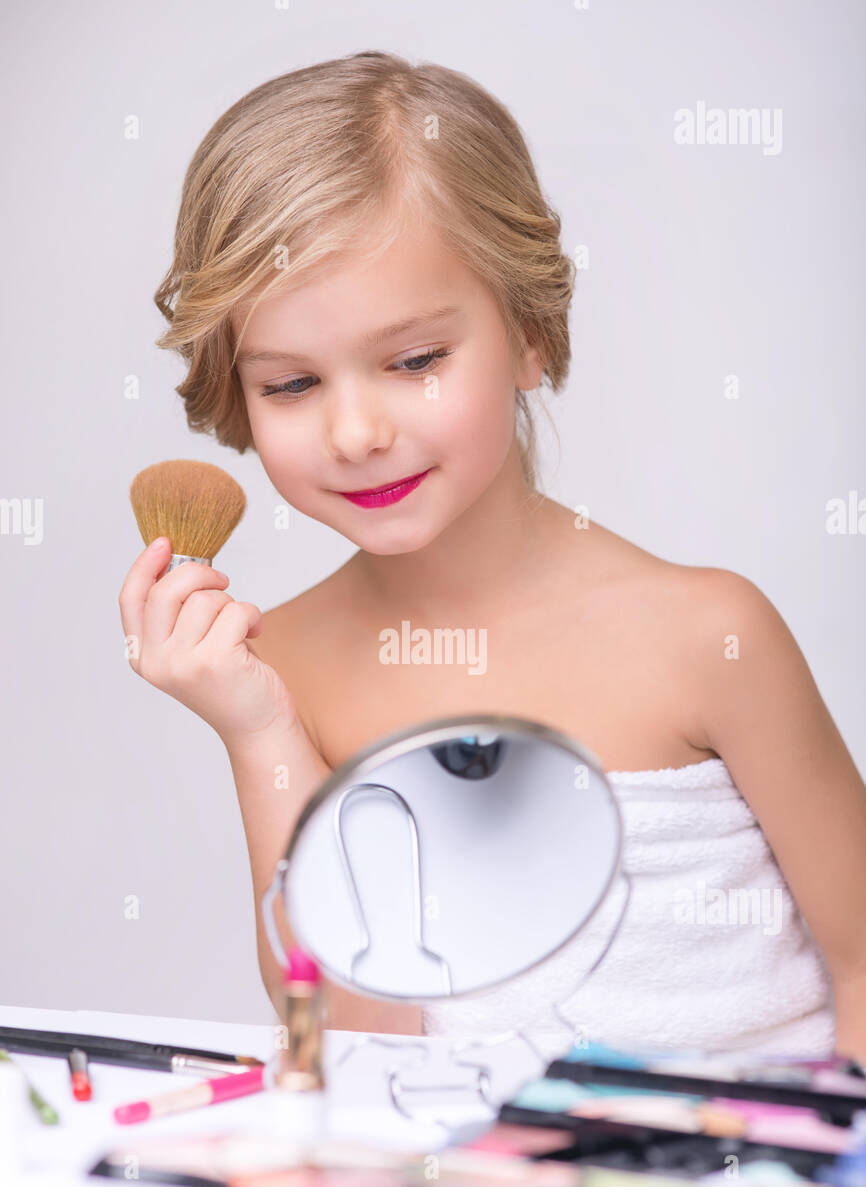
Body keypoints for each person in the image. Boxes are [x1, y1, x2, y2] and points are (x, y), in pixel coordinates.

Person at [119, 52, 866, 1057]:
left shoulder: (706, 636)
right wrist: (258, 732)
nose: (353, 432)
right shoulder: (279, 664)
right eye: (291, 384)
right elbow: (353, 1039)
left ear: (527, 333)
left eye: (414, 360)